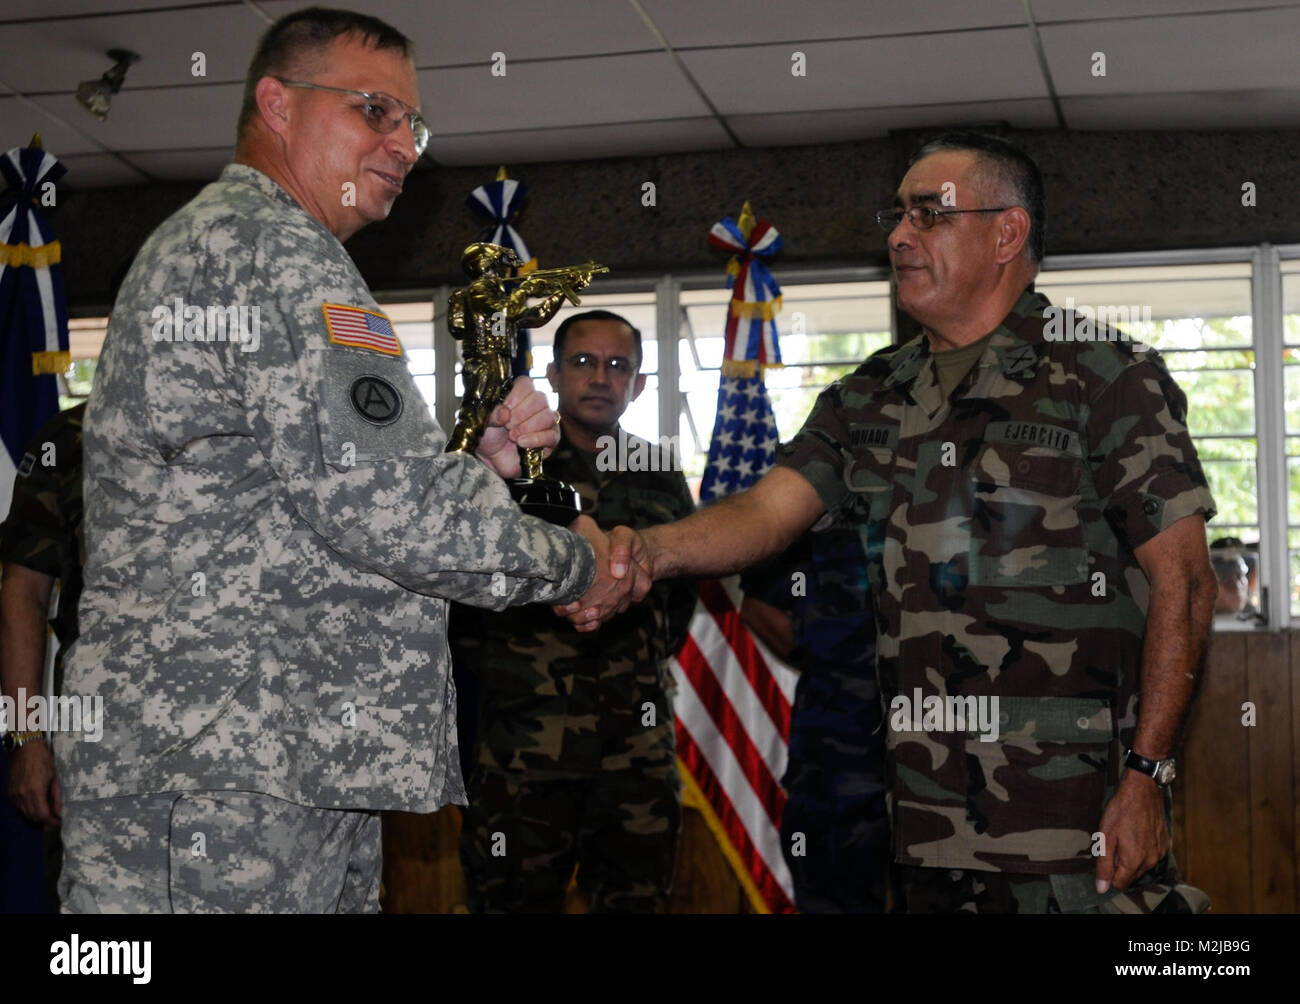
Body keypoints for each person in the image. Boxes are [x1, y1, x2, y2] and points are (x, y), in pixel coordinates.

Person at [53, 7, 640, 914]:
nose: (404, 144)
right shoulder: (273, 251)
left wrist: (478, 474)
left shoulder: (237, 245)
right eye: (375, 111)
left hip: (270, 753)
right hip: (222, 772)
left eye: (414, 123)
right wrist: (580, 558)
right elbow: (392, 508)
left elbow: (310, 500)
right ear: (278, 104)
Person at [569, 132, 1219, 914]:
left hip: (1068, 826)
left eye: (928, 215)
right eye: (898, 214)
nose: (899, 236)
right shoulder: (869, 393)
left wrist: (1149, 777)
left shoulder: (1107, 377)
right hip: (918, 819)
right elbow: (768, 512)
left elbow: (1184, 582)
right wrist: (648, 549)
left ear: (1007, 232)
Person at [451, 310, 697, 912]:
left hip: (634, 746)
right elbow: (462, 596)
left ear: (638, 385)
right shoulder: (507, 465)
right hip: (525, 744)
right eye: (583, 362)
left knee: (636, 900)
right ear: (553, 374)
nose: (600, 378)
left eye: (619, 366)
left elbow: (683, 589)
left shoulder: (660, 471)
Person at [738, 525, 889, 913]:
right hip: (834, 762)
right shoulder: (815, 502)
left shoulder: (952, 499)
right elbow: (759, 607)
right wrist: (835, 666)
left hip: (942, 768)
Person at [0, 403, 84, 912]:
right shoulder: (71, 438)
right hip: (100, 740)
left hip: (251, 747)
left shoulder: (268, 419)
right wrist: (27, 737)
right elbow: (22, 594)